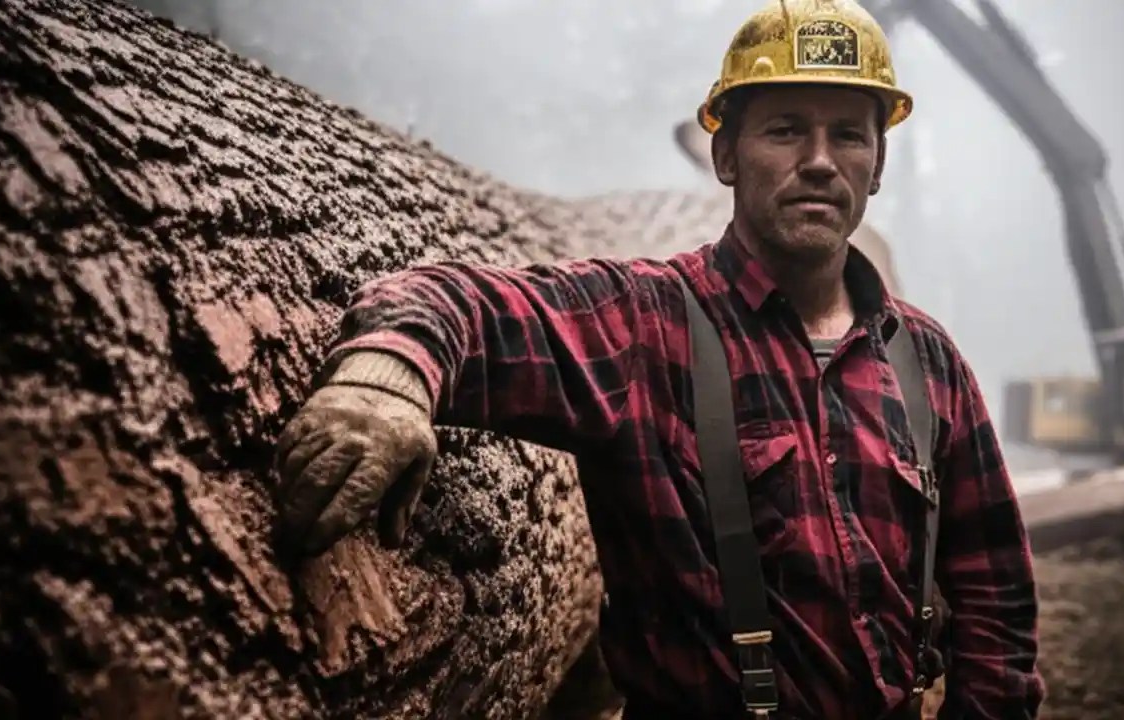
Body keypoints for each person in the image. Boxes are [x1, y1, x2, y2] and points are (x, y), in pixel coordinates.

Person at [273, 1, 1045, 718]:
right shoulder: (645, 324)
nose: (820, 161)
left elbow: (995, 601)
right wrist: (385, 381)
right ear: (725, 155)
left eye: (849, 134)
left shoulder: (929, 362)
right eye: (784, 129)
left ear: (876, 164)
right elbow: (454, 301)